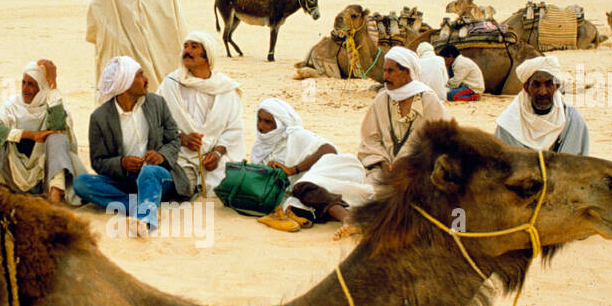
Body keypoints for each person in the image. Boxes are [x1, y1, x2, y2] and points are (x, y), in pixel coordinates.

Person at [73, 55, 192, 237]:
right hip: (125, 180)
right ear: (125, 84)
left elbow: (174, 139)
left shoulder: (157, 103)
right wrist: (122, 163)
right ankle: (142, 204)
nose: (146, 80)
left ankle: (145, 221)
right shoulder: (99, 118)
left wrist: (161, 156)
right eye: (139, 75)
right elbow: (98, 162)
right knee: (80, 183)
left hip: (158, 176)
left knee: (149, 173)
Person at [253, 98, 375, 234]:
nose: (261, 126)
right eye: (259, 119)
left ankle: (348, 219)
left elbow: (328, 149)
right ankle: (353, 215)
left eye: (268, 122)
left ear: (280, 123)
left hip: (338, 170)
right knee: (294, 207)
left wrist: (293, 169)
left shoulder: (295, 135)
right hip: (311, 191)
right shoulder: (259, 149)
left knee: (302, 186)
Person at [0, 60, 86, 205]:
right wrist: (30, 135)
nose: (25, 88)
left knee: (57, 137)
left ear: (42, 87)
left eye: (31, 84)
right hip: (12, 177)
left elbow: (58, 126)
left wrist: (52, 84)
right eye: (23, 82)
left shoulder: (54, 107)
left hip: (42, 180)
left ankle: (55, 198)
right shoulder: (13, 106)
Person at [155, 31, 245, 197]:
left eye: (194, 47)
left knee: (232, 186)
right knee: (181, 188)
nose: (187, 51)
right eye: (185, 46)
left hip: (212, 158)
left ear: (207, 55)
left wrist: (217, 153)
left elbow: (234, 128)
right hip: (179, 153)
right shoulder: (171, 83)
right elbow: (155, 122)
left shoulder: (225, 88)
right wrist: (182, 138)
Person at [358, 45, 450, 183]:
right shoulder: (381, 99)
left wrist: (407, 163)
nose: (385, 76)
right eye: (384, 71)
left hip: (418, 171)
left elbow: (441, 142)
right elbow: (370, 140)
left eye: (390, 71)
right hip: (382, 170)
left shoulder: (428, 100)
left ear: (407, 72)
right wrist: (383, 164)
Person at [494, 56, 590, 155]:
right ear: (526, 88)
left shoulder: (572, 120)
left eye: (548, 84)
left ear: (557, 86)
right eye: (536, 85)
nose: (542, 92)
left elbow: (577, 164)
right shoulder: (508, 123)